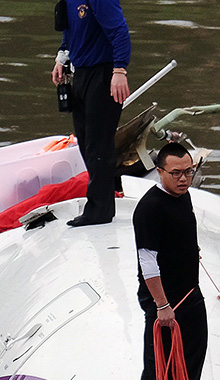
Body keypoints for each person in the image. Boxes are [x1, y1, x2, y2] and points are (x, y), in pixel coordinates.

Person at [134, 142, 207, 380]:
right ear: (159, 172)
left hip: (190, 291)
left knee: (195, 351)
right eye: (176, 173)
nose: (184, 178)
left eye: (188, 171)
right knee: (157, 367)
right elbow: (147, 262)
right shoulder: (150, 208)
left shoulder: (184, 195)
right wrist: (162, 306)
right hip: (165, 302)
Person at [52, 0, 131, 227]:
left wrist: (119, 70)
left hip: (104, 73)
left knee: (99, 144)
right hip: (81, 73)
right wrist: (61, 59)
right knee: (85, 140)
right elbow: (70, 32)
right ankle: (102, 199)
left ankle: (99, 210)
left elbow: (119, 31)